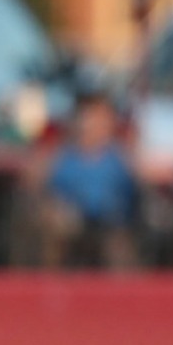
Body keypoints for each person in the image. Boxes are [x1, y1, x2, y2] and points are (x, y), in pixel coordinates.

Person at [32, 94, 138, 270]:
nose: (94, 124)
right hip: (70, 220)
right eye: (89, 117)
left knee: (118, 246)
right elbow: (34, 185)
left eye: (101, 118)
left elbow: (140, 184)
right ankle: (53, 291)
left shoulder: (120, 157)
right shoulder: (61, 155)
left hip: (112, 221)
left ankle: (122, 295)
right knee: (55, 230)